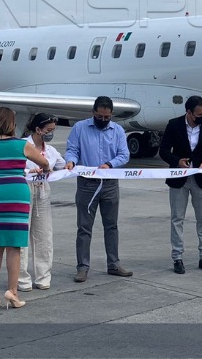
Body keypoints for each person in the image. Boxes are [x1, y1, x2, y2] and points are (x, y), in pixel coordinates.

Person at [0, 107, 48, 309]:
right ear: (12, 123)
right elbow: (44, 161)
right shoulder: (21, 145)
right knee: (14, 246)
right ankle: (12, 291)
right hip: (15, 194)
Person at [65, 96, 132, 282]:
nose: (103, 120)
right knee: (84, 227)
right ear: (93, 113)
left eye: (107, 117)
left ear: (111, 115)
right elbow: (72, 149)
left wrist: (110, 165)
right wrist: (70, 161)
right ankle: (83, 267)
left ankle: (114, 264)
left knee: (111, 225)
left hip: (109, 182)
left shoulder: (117, 130)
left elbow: (124, 154)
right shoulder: (80, 128)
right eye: (100, 117)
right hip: (87, 183)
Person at [159, 96, 202, 274]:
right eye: (199, 114)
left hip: (201, 179)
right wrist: (176, 161)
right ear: (189, 112)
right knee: (177, 219)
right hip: (179, 179)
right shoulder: (174, 125)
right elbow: (163, 151)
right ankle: (177, 257)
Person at [18, 113, 66, 291]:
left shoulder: (51, 150)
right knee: (22, 235)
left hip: (43, 192)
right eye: (48, 130)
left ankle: (43, 276)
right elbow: (16, 166)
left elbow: (63, 165)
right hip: (24, 190)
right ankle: (21, 278)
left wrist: (70, 165)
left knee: (44, 235)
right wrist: (30, 171)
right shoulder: (22, 145)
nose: (51, 133)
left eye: (53, 130)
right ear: (38, 129)